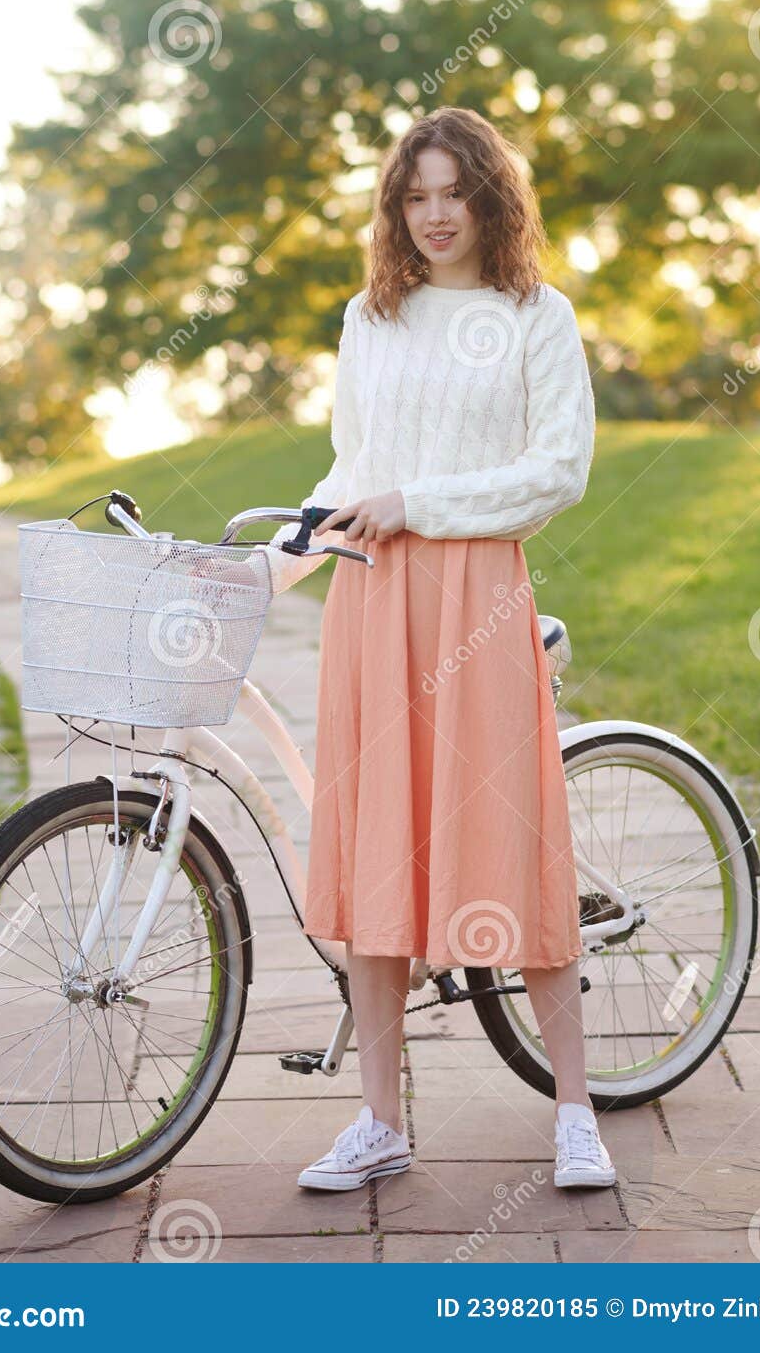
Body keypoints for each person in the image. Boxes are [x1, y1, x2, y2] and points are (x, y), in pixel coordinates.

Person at [264, 106, 615, 1195]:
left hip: (475, 598)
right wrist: (258, 566)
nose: (430, 215)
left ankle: (573, 1111)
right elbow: (347, 465)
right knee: (375, 855)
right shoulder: (371, 316)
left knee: (515, 852)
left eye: (450, 192)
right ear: (393, 206)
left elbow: (554, 472)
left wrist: (412, 502)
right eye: (411, 195)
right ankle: (379, 1118)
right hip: (372, 609)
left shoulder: (533, 315)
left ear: (487, 198)